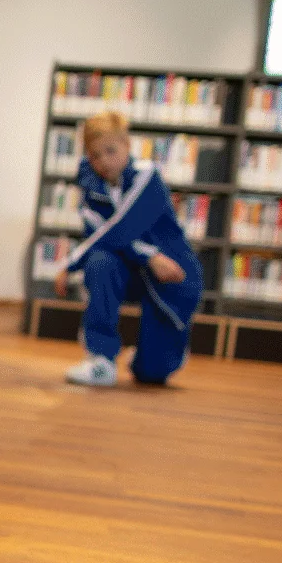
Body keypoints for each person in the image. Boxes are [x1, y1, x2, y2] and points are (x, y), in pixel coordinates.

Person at [54, 111, 204, 387]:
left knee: (151, 375)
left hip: (170, 274)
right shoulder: (90, 182)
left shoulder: (147, 176)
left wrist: (70, 263)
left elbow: (121, 228)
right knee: (100, 261)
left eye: (111, 151)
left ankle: (158, 355)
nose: (104, 162)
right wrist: (148, 256)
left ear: (127, 145)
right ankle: (101, 360)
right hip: (130, 267)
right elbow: (101, 234)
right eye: (95, 155)